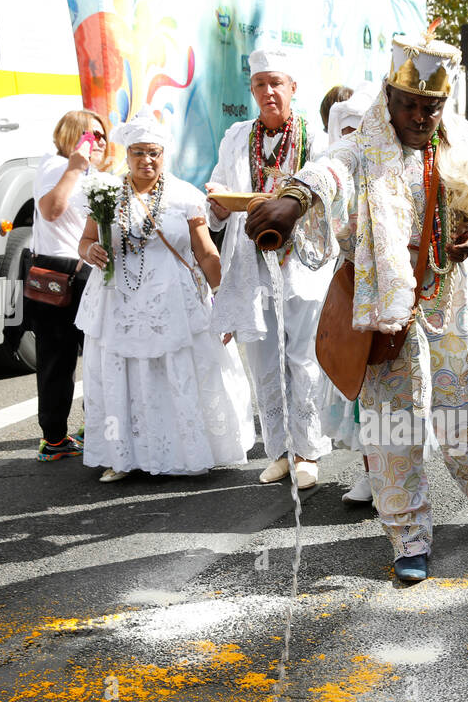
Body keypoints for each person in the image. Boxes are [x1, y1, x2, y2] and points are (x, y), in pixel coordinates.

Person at [246, 25, 468, 583]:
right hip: (385, 306)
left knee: (466, 414)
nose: (421, 117)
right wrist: (292, 200)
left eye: (431, 106)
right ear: (389, 98)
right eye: (409, 105)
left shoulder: (456, 141)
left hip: (451, 301)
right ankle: (407, 535)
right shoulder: (364, 146)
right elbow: (327, 170)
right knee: (392, 425)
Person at [75, 113, 255, 483]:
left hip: (172, 301)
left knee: (171, 373)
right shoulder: (103, 192)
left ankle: (183, 451)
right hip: (117, 301)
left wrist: (223, 300)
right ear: (127, 154)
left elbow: (206, 254)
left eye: (154, 153)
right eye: (138, 152)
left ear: (164, 154)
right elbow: (85, 240)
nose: (146, 160)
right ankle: (121, 457)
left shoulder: (185, 196)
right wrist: (90, 251)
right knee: (121, 376)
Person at [206, 48, 332, 490]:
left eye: (276, 83)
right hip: (252, 263)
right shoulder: (238, 136)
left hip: (302, 263)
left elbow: (330, 198)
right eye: (260, 84)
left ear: (293, 88)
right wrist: (219, 202)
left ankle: (308, 452)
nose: (268, 92)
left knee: (303, 357)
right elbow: (220, 200)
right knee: (264, 359)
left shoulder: (316, 138)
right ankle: (278, 450)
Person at [28, 109, 110, 462]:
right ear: (72, 137)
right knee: (59, 357)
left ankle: (89, 426)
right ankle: (55, 438)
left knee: (95, 355)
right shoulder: (55, 165)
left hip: (83, 268)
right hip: (59, 271)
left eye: (103, 135)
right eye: (92, 134)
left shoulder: (95, 171)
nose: (100, 141)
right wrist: (75, 167)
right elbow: (51, 210)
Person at [319, 82, 379, 506]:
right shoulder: (335, 169)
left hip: (400, 291)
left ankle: (403, 478)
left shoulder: (396, 169)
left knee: (398, 391)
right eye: (347, 130)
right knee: (358, 381)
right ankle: (373, 474)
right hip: (352, 287)